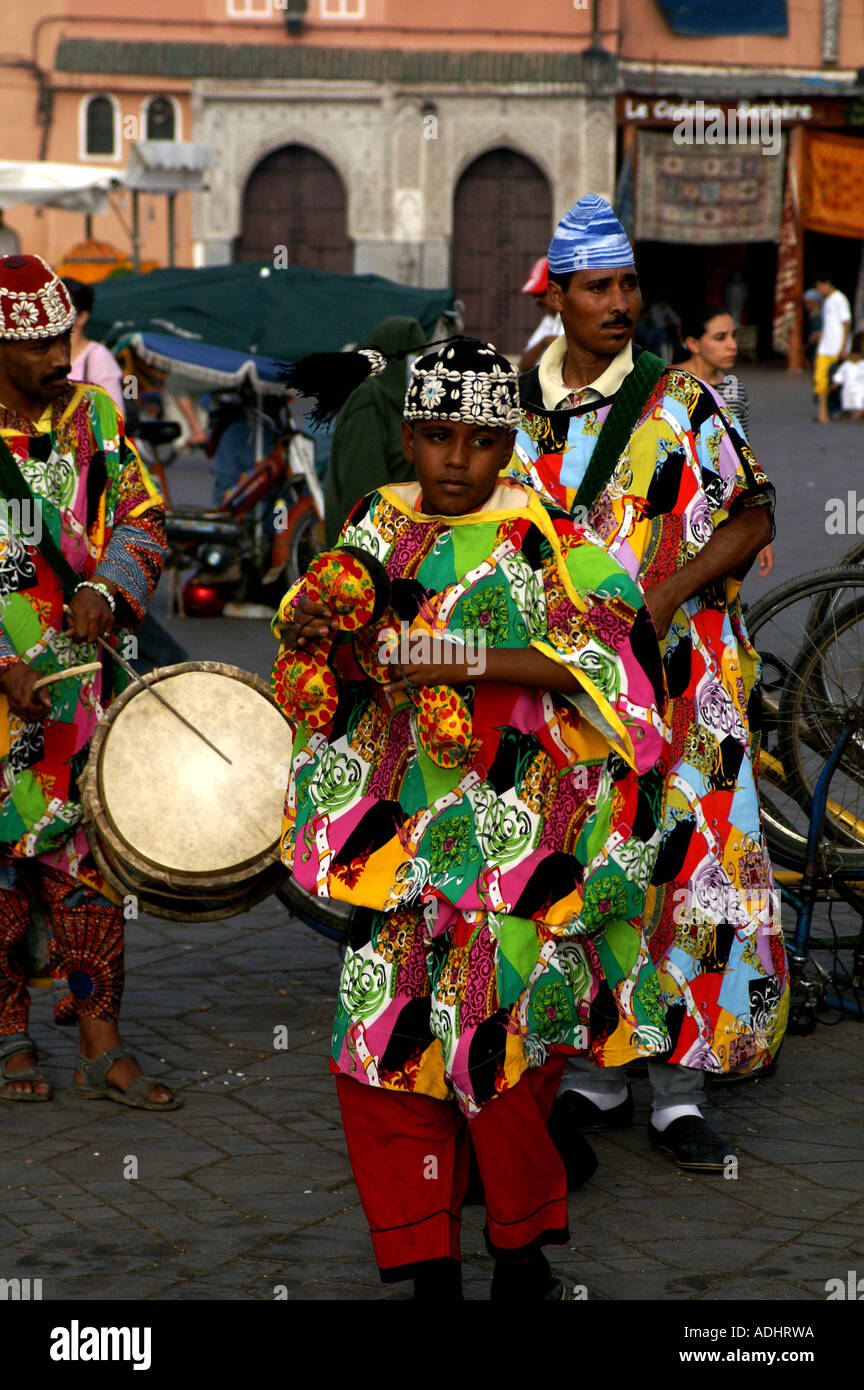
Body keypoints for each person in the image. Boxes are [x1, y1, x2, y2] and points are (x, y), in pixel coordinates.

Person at [272, 337, 671, 1301]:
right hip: (394, 843)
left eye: (482, 440)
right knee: (382, 1047)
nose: (458, 458)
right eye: (438, 435)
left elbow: (615, 669)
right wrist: (325, 638)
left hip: (516, 842)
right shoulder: (371, 523)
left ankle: (520, 1252)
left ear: (509, 443)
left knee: (498, 1055)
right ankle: (426, 1262)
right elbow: (332, 644)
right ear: (407, 436)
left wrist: (464, 660)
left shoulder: (549, 540)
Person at [510, 195, 787, 1173]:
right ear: (561, 294)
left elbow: (754, 518)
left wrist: (666, 596)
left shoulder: (681, 400)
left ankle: (679, 1090)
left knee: (692, 882)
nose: (620, 301)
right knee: (588, 880)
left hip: (684, 696)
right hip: (573, 698)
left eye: (628, 283)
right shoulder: (522, 411)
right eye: (599, 286)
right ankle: (594, 1070)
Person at [0, 254, 176, 1108]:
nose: (56, 356)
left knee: (90, 866)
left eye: (60, 336)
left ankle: (100, 1039)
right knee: (2, 868)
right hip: (2, 709)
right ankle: (8, 1038)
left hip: (82, 694)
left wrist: (107, 588)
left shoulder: (95, 418)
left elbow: (143, 515)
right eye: (34, 343)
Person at [676, 304, 773, 576]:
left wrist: (757, 524)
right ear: (693, 343)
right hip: (675, 514)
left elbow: (743, 459)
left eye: (733, 336)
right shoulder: (666, 384)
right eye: (720, 338)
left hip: (725, 515)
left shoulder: (734, 388)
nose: (732, 345)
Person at [322, 315, 427, 546]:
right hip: (369, 554)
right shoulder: (368, 398)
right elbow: (363, 491)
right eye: (411, 361)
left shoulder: (400, 408)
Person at [62, 277, 125, 416]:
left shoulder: (97, 357)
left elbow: (114, 419)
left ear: (82, 317)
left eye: (62, 309)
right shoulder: (42, 356)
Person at [813, 273, 852, 424]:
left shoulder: (839, 299)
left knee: (838, 381)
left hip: (837, 348)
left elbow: (846, 324)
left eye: (820, 286)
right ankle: (823, 413)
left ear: (827, 283)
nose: (819, 290)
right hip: (825, 347)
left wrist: (844, 347)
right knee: (820, 380)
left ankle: (841, 411)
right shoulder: (827, 301)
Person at [518, 257, 562, 373]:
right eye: (534, 295)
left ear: (556, 290)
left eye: (541, 294)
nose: (537, 300)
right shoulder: (548, 319)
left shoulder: (574, 317)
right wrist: (543, 342)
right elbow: (523, 365)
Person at [831, 332, 864, 422]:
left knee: (859, 402)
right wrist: (836, 382)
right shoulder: (847, 364)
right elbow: (840, 373)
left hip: (860, 388)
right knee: (846, 402)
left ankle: (858, 417)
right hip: (848, 388)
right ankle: (846, 415)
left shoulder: (862, 364)